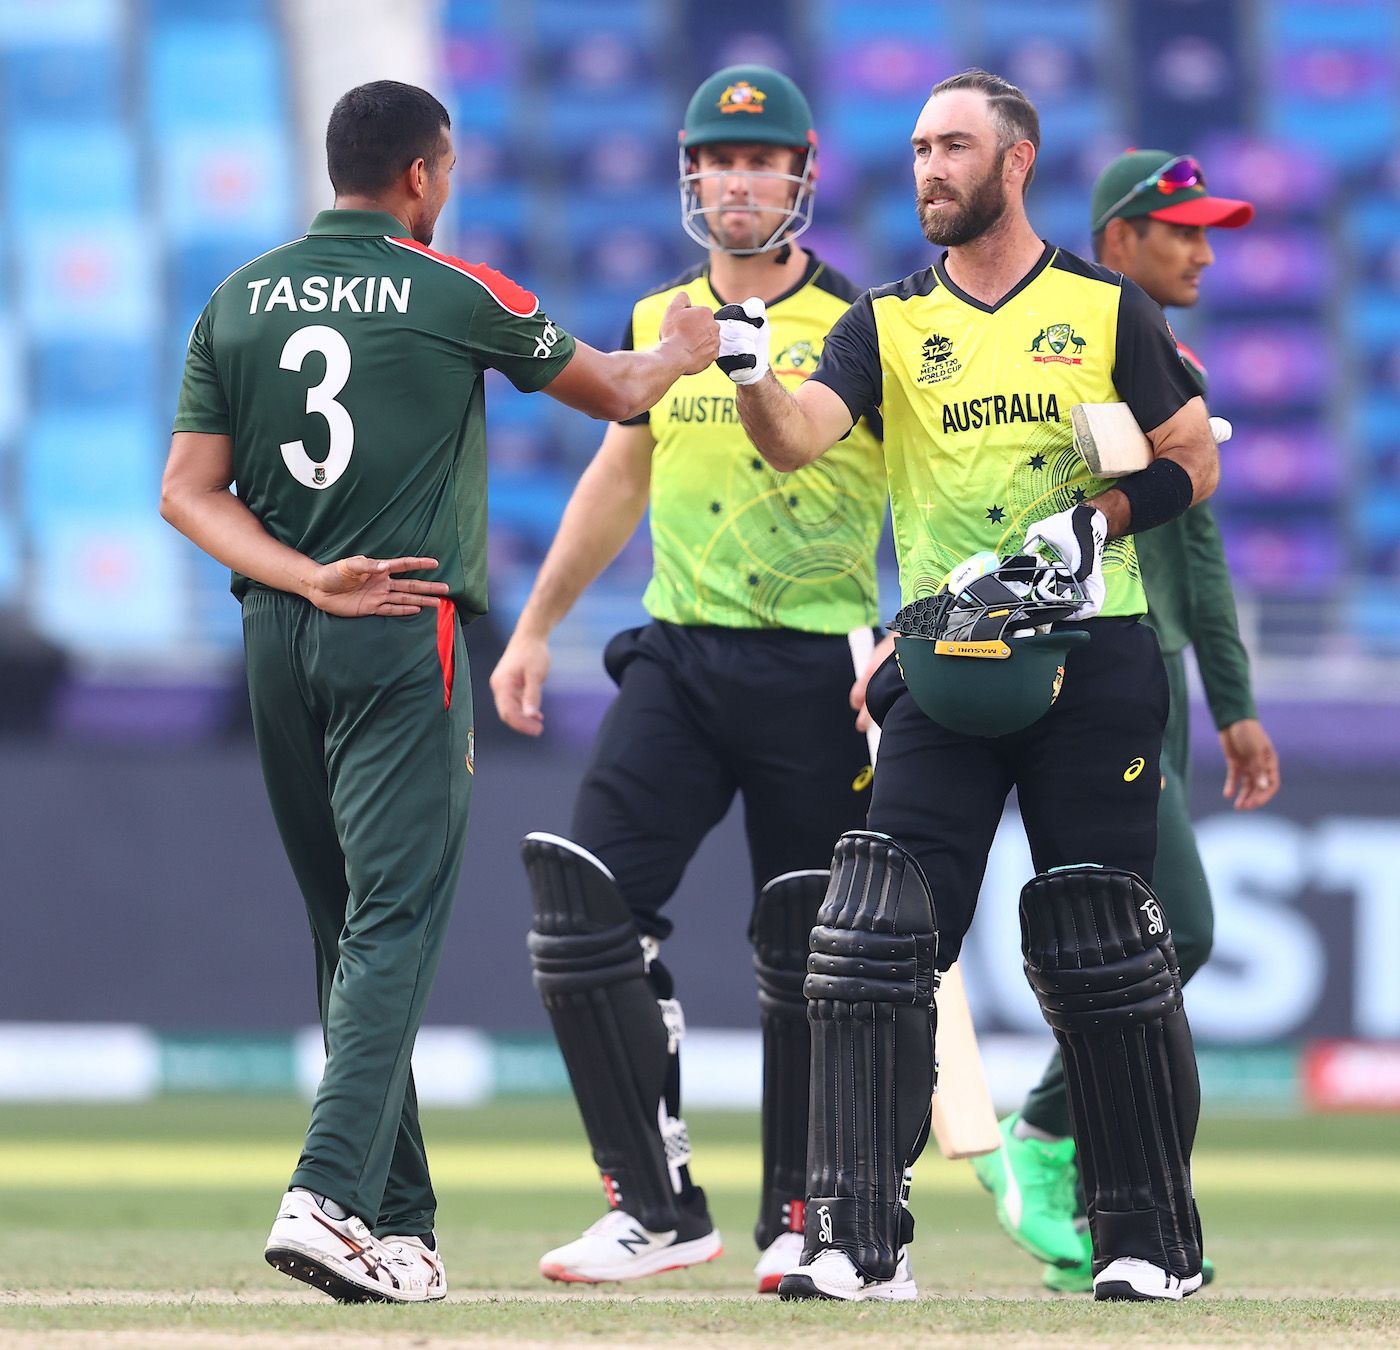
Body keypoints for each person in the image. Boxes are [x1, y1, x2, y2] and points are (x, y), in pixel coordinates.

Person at [159, 79, 717, 1305]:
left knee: (346, 932)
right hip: (404, 628)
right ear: (421, 175)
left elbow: (187, 493)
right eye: (448, 170)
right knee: (398, 922)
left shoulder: (237, 297)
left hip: (280, 632)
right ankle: (325, 1194)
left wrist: (307, 577)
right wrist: (683, 348)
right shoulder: (450, 286)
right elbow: (618, 391)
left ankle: (397, 1226)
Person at [717, 68, 1221, 1303]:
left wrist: (1093, 525)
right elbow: (796, 437)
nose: (927, 167)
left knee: (1104, 942)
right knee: (876, 939)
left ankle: (1146, 1241)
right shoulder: (884, 322)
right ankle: (853, 1238)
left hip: (1090, 657)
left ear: (1014, 163)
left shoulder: (1103, 308)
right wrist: (744, 371)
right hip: (942, 661)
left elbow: (1192, 460)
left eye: (951, 147)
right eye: (915, 149)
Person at [489, 65, 887, 1294]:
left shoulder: (867, 323)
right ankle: (655, 1209)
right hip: (676, 653)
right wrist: (534, 626)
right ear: (689, 175)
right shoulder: (662, 313)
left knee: (810, 955)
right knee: (584, 913)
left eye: (760, 160)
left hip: (820, 666)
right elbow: (616, 482)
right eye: (717, 159)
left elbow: (930, 494)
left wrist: (906, 631)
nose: (737, 180)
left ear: (800, 178)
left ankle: (806, 1212)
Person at [969, 147, 1282, 1294]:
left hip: (1151, 682)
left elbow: (1191, 545)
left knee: (1142, 953)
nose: (1200, 250)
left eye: (1207, 233)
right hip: (1088, 672)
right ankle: (1040, 1140)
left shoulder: (1164, 358)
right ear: (1114, 241)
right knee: (1172, 934)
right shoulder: (1089, 352)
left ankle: (1116, 1215)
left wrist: (1231, 704)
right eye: (1179, 231)